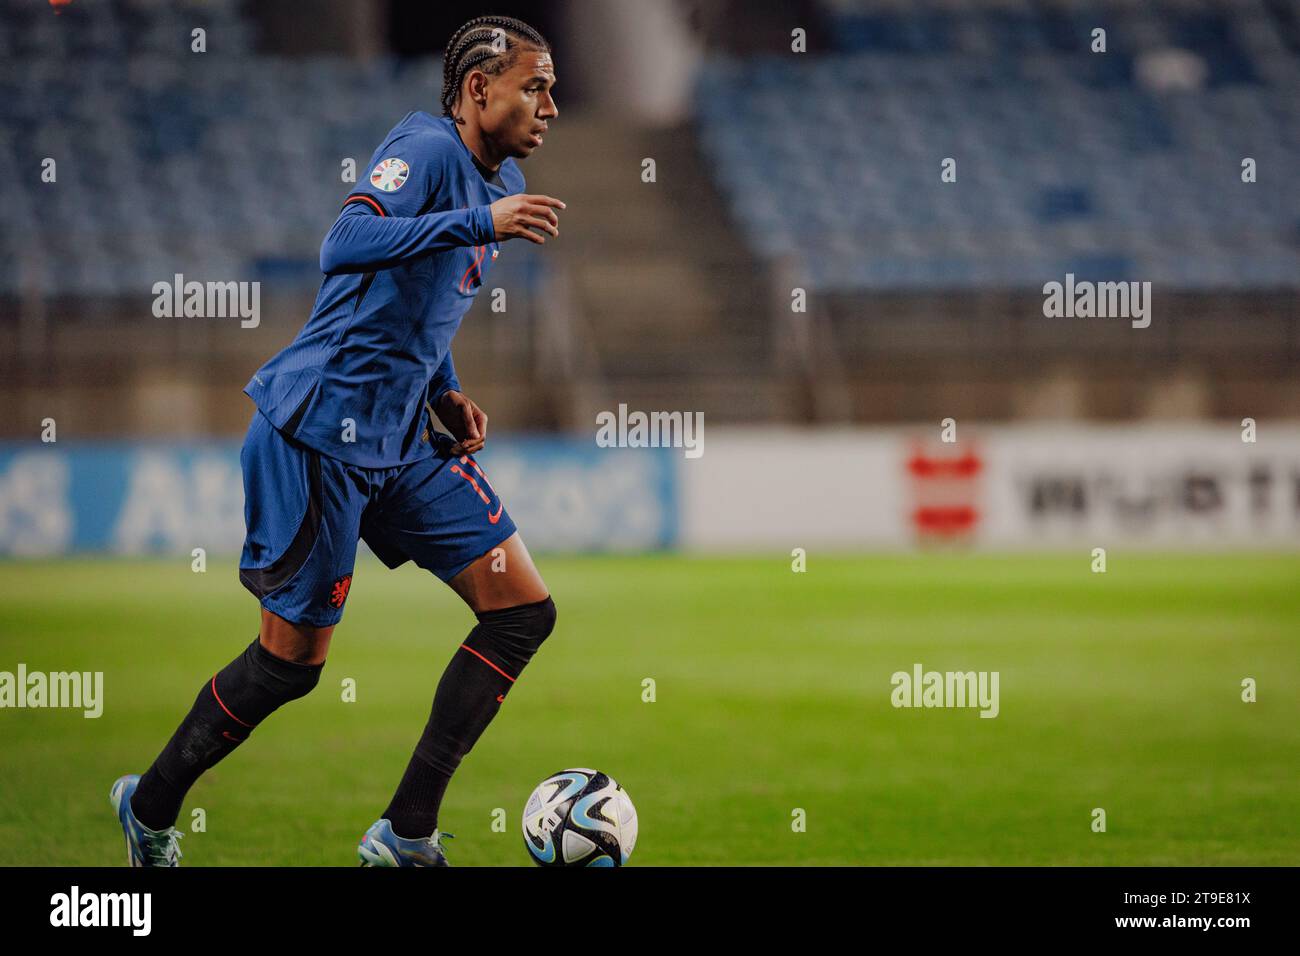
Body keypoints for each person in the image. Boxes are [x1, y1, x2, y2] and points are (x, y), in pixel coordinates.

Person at [111, 14, 564, 867]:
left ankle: (405, 833)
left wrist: (449, 391)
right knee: (290, 667)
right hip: (317, 434)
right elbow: (343, 243)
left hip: (402, 444)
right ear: (479, 89)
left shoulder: (483, 181)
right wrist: (478, 224)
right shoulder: (428, 150)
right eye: (534, 85)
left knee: (522, 612)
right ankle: (152, 806)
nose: (550, 105)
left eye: (551, 89)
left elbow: (416, 311)